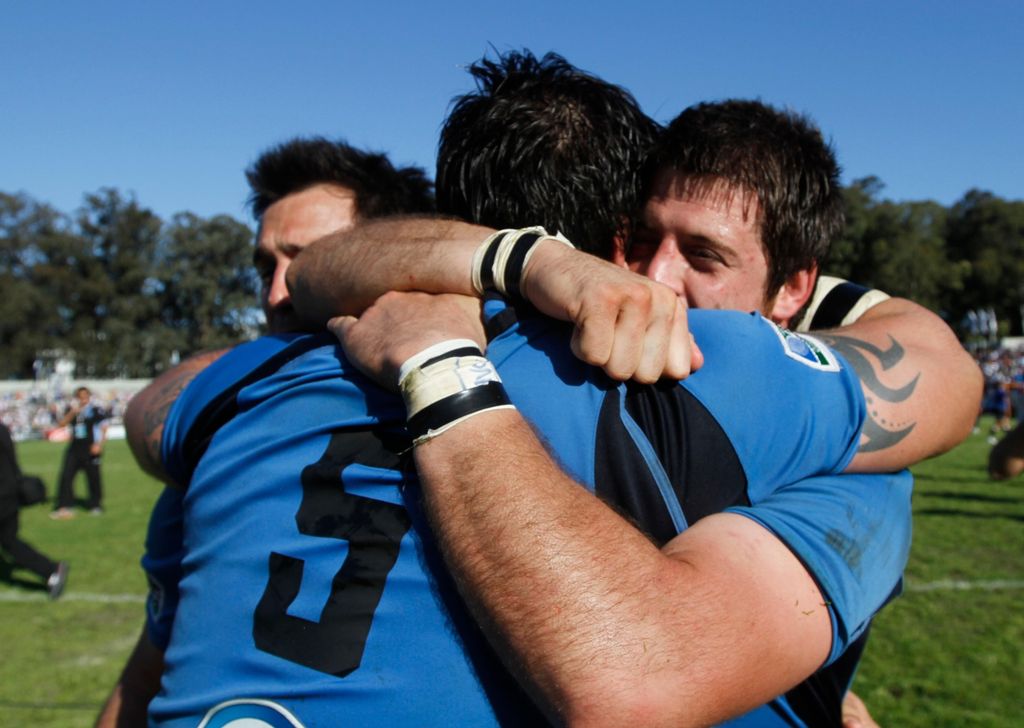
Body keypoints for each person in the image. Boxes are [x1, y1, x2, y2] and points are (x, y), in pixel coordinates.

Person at [287, 52, 979, 725]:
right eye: (642, 240)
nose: (656, 278)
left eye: (703, 255)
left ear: (795, 287)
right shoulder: (576, 361)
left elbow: (312, 273)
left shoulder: (781, 397)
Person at [95, 138, 434, 726]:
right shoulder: (228, 415)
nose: (278, 294)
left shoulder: (491, 393)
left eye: (308, 266)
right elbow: (152, 663)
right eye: (266, 267)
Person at [0, 421, 68, 598]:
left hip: (3, 495)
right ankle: (51, 570)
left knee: (9, 541)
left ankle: (51, 570)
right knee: (9, 540)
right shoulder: (2, 429)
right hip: (10, 491)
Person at [50, 386, 108, 519]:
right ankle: (65, 505)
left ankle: (95, 505)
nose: (83, 399)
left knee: (93, 477)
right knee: (66, 476)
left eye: (85, 396)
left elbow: (104, 427)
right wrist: (73, 413)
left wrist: (99, 444)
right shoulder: (72, 410)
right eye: (80, 397)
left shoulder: (95, 410)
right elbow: (62, 424)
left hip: (90, 447)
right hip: (75, 448)